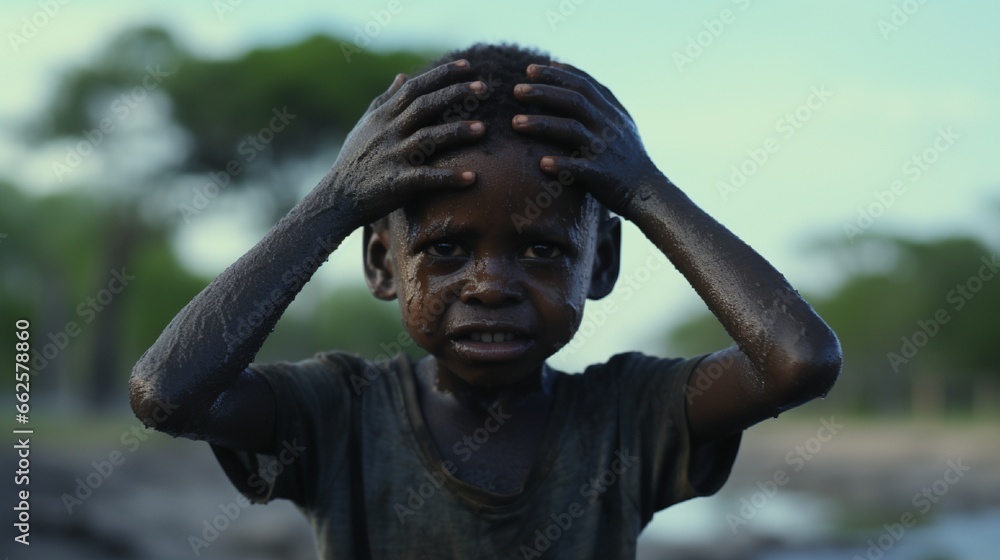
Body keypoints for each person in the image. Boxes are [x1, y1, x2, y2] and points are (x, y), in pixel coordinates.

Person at [129, 43, 841, 559]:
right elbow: (167, 393)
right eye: (445, 248)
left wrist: (644, 188)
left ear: (601, 263)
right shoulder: (338, 413)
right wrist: (337, 199)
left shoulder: (629, 417)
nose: (491, 285)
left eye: (542, 250)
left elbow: (799, 360)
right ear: (382, 263)